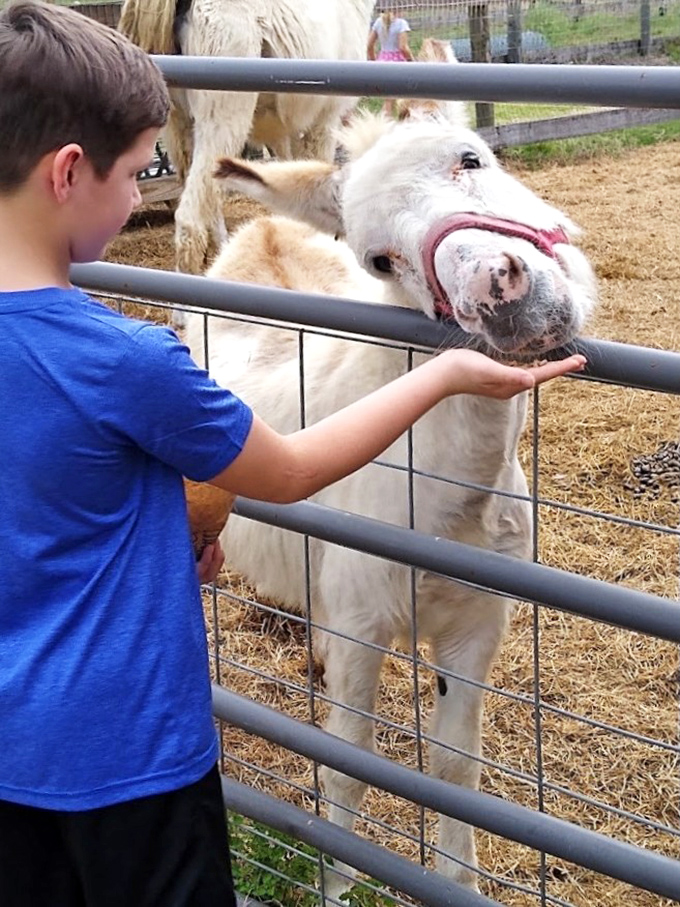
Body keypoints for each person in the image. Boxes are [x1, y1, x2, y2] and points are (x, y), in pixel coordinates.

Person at [0, 2, 587, 905]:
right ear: (71, 173)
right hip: (142, 755)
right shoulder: (133, 360)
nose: (145, 197)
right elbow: (290, 472)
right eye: (140, 174)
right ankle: (343, 867)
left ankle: (439, 867)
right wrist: (441, 377)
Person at [367, 6, 414, 115]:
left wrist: (374, 60)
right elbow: (403, 47)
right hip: (398, 63)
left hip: (382, 61)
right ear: (399, 9)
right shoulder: (401, 24)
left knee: (388, 99)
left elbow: (369, 45)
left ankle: (386, 120)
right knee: (401, 96)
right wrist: (412, 61)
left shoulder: (379, 22)